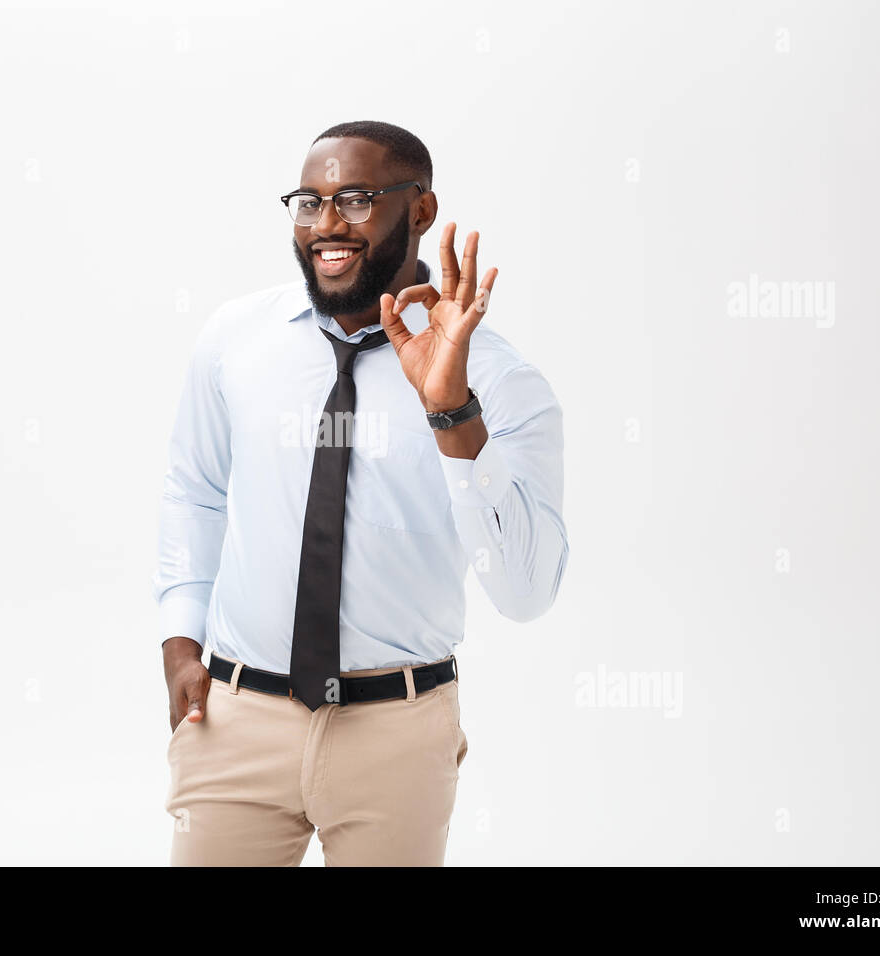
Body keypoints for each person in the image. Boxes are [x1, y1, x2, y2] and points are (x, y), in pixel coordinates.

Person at [152, 120, 569, 866]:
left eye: (355, 198)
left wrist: (453, 413)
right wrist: (181, 644)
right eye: (308, 202)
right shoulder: (235, 340)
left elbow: (528, 592)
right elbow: (196, 491)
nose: (326, 225)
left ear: (420, 211)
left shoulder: (503, 384)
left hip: (397, 734)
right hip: (234, 721)